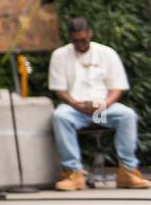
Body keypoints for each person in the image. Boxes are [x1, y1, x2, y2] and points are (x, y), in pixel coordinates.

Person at [48, 17, 149, 190]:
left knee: (127, 115)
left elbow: (117, 87)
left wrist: (105, 104)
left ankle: (127, 171)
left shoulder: (106, 53)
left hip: (102, 109)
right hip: (75, 109)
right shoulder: (60, 55)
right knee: (60, 116)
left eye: (83, 40)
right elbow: (59, 89)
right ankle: (73, 173)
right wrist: (76, 104)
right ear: (70, 38)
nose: (80, 44)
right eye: (76, 41)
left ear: (90, 34)